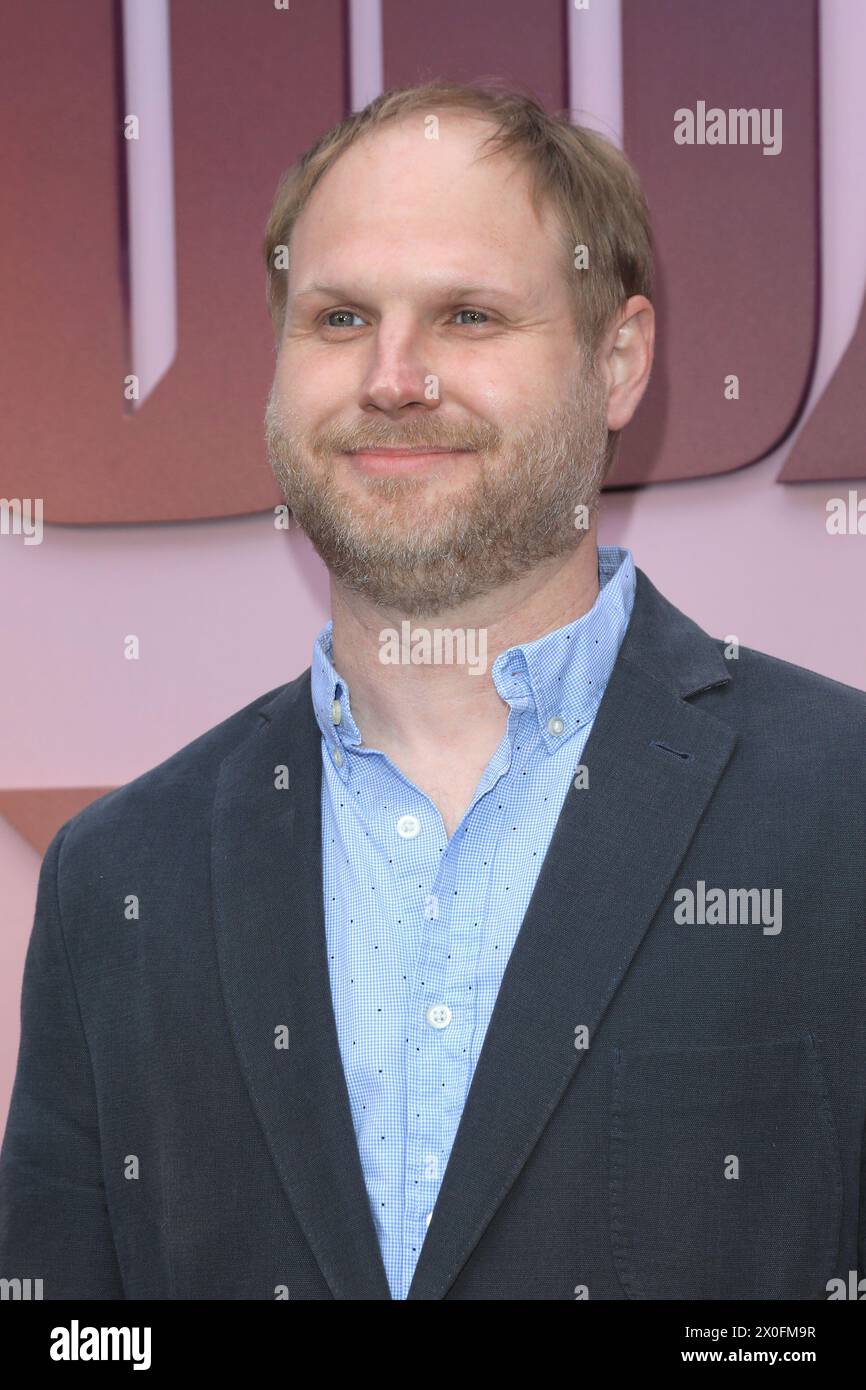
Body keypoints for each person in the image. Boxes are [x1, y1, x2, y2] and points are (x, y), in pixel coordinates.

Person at [1, 79, 864, 1301]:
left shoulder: (841, 810)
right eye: (341, 317)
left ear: (617, 361)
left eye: (466, 315)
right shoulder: (122, 875)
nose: (393, 377)